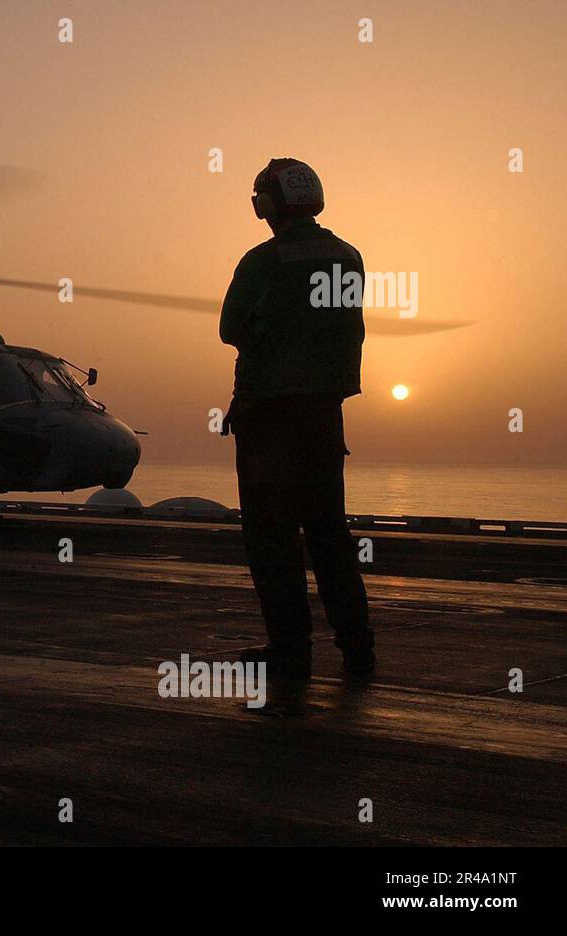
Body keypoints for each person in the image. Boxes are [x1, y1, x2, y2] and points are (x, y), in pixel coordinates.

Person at [219, 158, 375, 680]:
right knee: (330, 535)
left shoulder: (262, 261)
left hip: (269, 419)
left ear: (269, 203)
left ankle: (290, 652)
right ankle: (358, 649)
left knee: (272, 538)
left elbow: (231, 328)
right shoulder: (347, 256)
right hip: (324, 417)